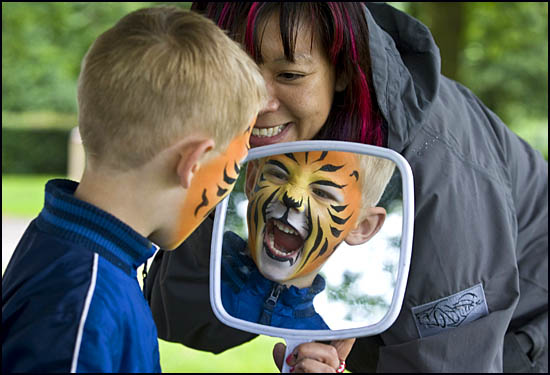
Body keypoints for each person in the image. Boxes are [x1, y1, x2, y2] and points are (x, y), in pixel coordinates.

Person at [145, 2, 548, 373]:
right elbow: (183, 319)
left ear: (341, 72)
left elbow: (449, 361)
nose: (256, 101)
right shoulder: (240, 134)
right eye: (237, 72)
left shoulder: (441, 169)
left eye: (290, 75)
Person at [1, 6, 267, 373]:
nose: (226, 191)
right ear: (193, 161)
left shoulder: (71, 249)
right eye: (234, 167)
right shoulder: (81, 307)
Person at [221, 151, 396, 330]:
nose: (292, 197)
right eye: (279, 174)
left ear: (363, 226)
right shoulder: (197, 263)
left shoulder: (319, 342)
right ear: (252, 180)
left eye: (322, 192)